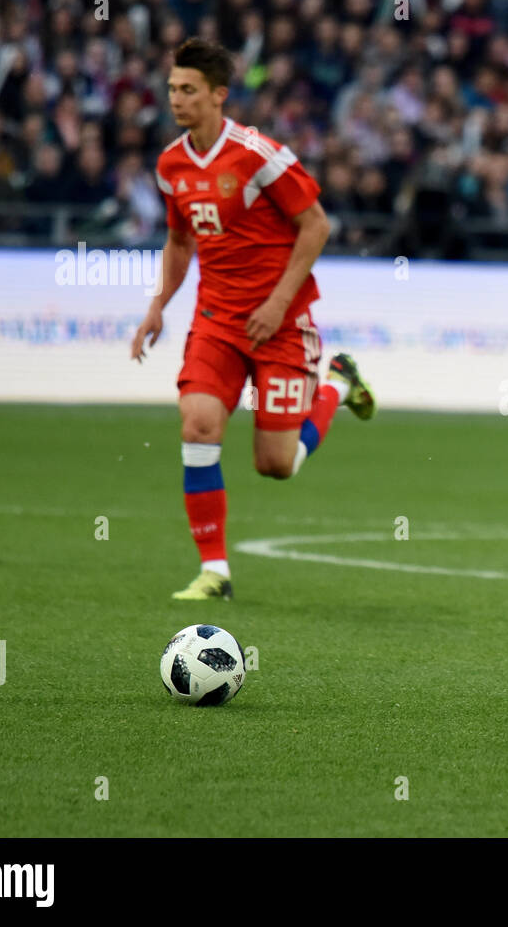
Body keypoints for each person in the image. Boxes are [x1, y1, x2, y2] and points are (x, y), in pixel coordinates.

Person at [129, 38, 375, 601]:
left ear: (218, 95)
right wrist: (156, 307)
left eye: (188, 90)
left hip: (282, 325)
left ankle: (337, 384)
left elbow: (316, 225)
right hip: (216, 321)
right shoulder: (171, 165)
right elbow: (177, 240)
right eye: (172, 88)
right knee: (197, 425)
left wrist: (276, 302)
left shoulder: (260, 154)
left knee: (276, 466)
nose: (176, 99)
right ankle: (214, 571)